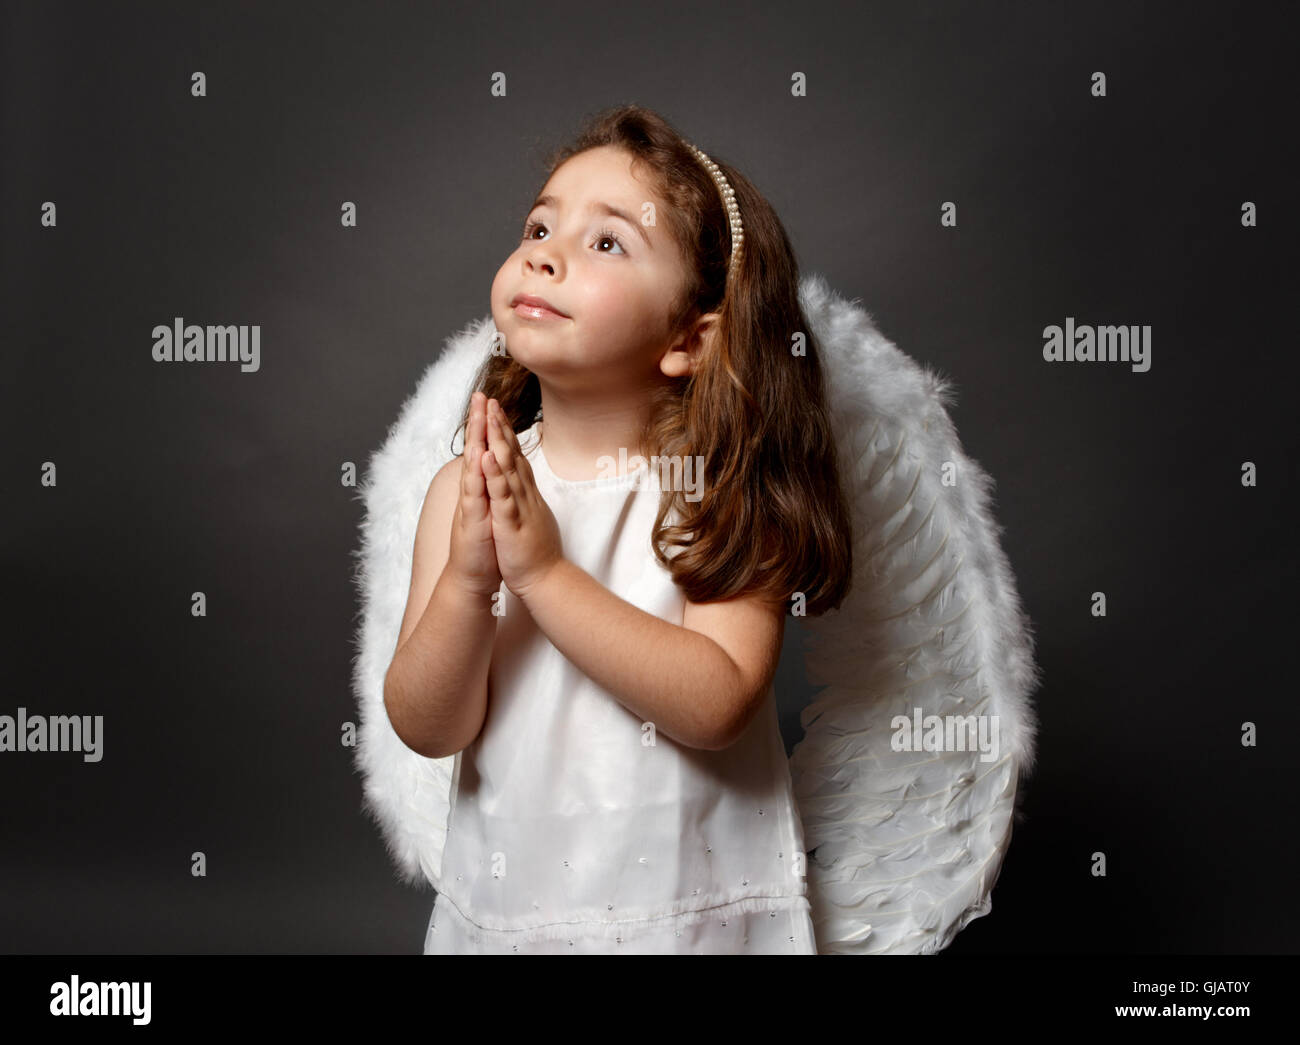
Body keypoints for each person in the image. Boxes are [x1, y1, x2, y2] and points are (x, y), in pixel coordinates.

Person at [381, 104, 854, 954]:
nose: (544, 252)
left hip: (687, 908)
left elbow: (717, 701)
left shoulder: (716, 492)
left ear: (691, 337)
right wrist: (466, 581)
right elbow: (427, 724)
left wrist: (544, 574)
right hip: (519, 902)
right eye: (539, 224)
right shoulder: (468, 486)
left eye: (607, 242)